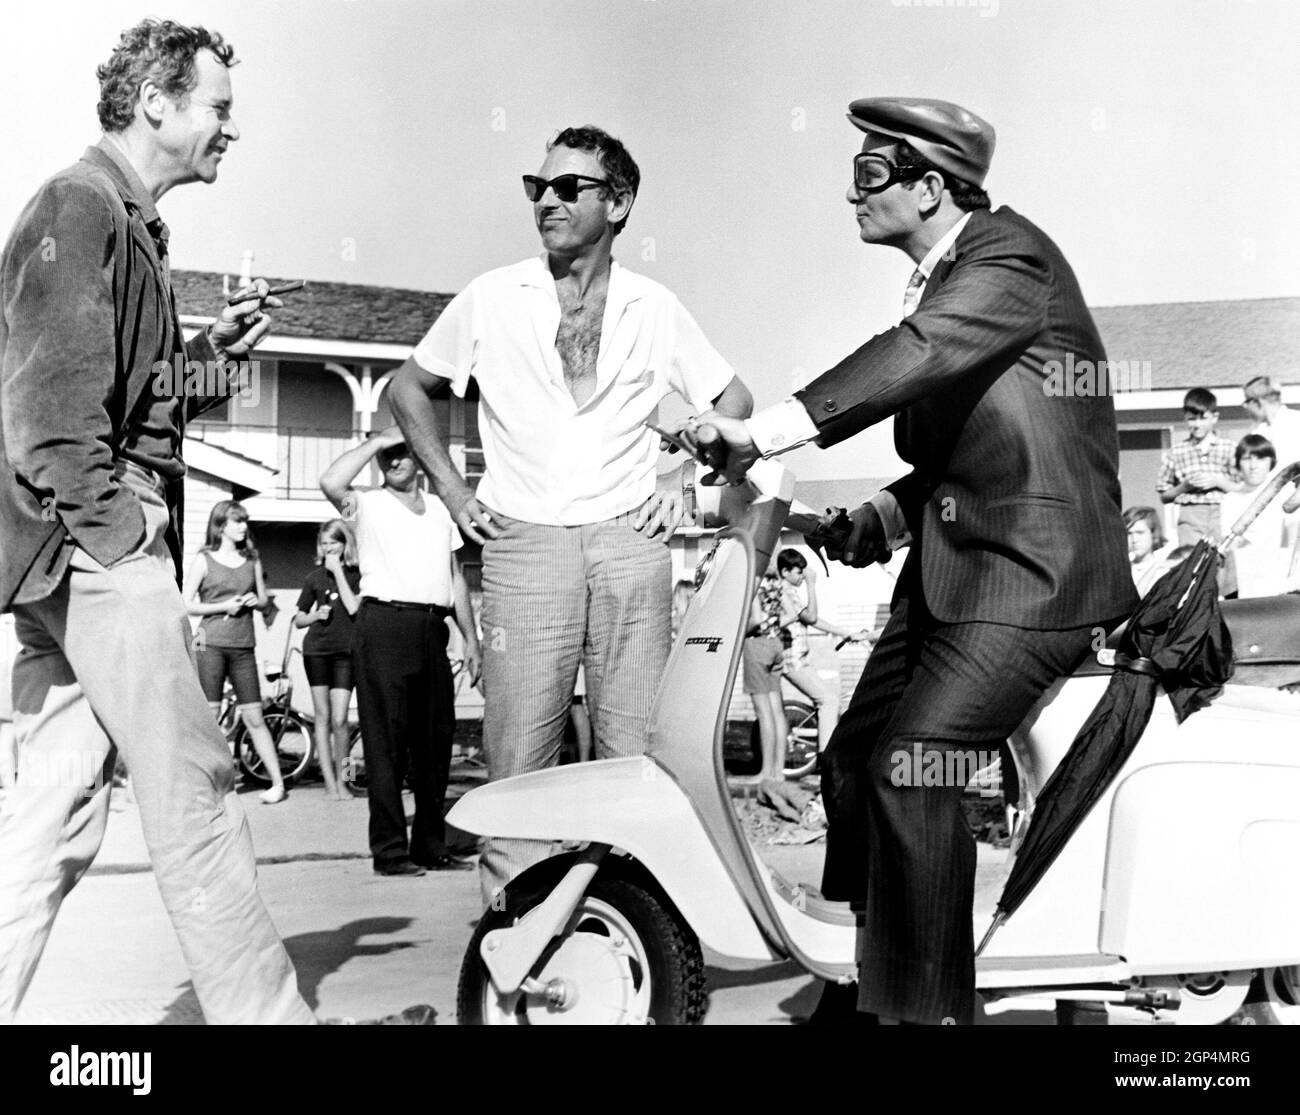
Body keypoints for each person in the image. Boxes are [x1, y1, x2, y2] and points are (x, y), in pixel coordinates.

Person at [694, 97, 1136, 1024]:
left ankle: (930, 1014)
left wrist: (762, 433)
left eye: (869, 175)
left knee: (916, 767)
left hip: (1030, 581)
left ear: (933, 187)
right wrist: (876, 521)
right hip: (954, 573)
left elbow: (916, 354)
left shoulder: (1008, 259)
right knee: (854, 763)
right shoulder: (956, 278)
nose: (851, 193)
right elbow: (968, 447)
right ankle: (869, 984)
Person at [0, 19, 315, 1023]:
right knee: (197, 797)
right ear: (159, 104)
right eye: (219, 109)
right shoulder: (81, 206)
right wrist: (127, 543)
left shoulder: (119, 217)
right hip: (97, 554)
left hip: (58, 557)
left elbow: (135, 397)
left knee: (48, 816)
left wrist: (212, 352)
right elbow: (51, 418)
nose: (230, 130)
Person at [385, 124, 753, 903]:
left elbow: (733, 401)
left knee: (637, 763)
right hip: (524, 544)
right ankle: (514, 962)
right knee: (519, 766)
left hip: (629, 540)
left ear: (618, 204)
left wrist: (680, 475)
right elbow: (405, 391)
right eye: (536, 187)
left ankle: (638, 953)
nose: (546, 200)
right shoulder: (492, 295)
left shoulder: (657, 306)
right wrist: (455, 493)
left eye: (567, 187)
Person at [321, 427, 482, 877]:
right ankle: (390, 853)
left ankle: (430, 846)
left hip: (433, 629)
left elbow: (455, 578)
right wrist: (376, 440)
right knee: (386, 745)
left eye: (400, 452)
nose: (392, 461)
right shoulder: (366, 504)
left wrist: (472, 639)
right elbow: (331, 483)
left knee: (434, 744)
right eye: (384, 455)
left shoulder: (439, 510)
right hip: (383, 626)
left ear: (419, 456)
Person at [183, 501, 285, 803]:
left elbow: (266, 600)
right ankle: (206, 787)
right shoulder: (204, 560)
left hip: (243, 647)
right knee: (211, 718)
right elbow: (186, 603)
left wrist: (257, 600)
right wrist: (223, 606)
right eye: (237, 521)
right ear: (221, 526)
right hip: (209, 644)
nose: (243, 527)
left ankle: (277, 784)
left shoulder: (251, 559)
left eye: (244, 521)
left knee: (255, 717)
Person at [774, 548, 873, 757]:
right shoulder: (784, 591)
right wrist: (811, 584)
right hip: (792, 662)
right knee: (829, 701)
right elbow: (811, 617)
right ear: (785, 572)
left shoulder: (788, 591)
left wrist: (844, 632)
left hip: (800, 659)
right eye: (798, 572)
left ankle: (826, 743)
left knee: (829, 697)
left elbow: (813, 619)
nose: (802, 576)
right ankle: (826, 757)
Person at [293, 518, 362, 799]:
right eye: (324, 543)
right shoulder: (313, 578)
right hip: (316, 651)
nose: (328, 548)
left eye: (334, 542)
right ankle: (329, 784)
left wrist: (339, 572)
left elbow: (354, 607)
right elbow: (298, 619)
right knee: (322, 717)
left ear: (345, 544)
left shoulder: (358, 574)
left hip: (346, 652)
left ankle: (346, 781)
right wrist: (314, 616)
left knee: (341, 719)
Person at [741, 572, 802, 820]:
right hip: (776, 644)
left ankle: (766, 772)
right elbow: (792, 613)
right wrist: (773, 624)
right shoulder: (775, 580)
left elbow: (754, 618)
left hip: (756, 644)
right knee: (777, 711)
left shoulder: (753, 578)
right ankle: (778, 771)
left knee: (763, 713)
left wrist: (738, 629)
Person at [1157, 388, 1241, 547]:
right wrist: (1184, 486)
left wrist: (1218, 481)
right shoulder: (1177, 452)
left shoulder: (1230, 448)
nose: (1196, 424)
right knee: (1190, 561)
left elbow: (1242, 488)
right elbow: (1164, 495)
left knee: (1221, 561)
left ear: (1214, 417)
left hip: (1222, 513)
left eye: (1203, 418)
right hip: (1191, 514)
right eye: (1191, 419)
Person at [1219, 435, 1299, 598]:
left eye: (1261, 458)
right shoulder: (1230, 500)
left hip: (1283, 579)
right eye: (1247, 459)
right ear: (1238, 462)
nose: (1253, 466)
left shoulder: (1287, 495)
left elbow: (1290, 540)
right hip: (1248, 582)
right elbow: (1232, 543)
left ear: (1271, 461)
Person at [1242, 376, 1300, 472]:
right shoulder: (1257, 432)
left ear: (1258, 401)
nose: (1245, 406)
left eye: (1247, 401)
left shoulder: (1296, 421)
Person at [1123, 506, 1175, 597]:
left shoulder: (1164, 571)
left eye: (1140, 533)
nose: (1134, 539)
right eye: (1129, 534)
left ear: (1153, 534)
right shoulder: (1122, 572)